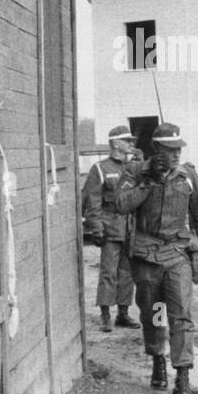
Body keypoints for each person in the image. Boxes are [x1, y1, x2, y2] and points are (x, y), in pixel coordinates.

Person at [114, 123, 198, 394]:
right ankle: (158, 358)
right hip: (145, 255)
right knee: (153, 312)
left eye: (178, 150)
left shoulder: (188, 176)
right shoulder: (135, 172)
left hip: (177, 252)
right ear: (156, 149)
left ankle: (182, 379)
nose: (175, 155)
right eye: (169, 150)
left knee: (182, 314)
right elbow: (121, 205)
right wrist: (149, 181)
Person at [82, 125, 143, 332]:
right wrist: (97, 229)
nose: (131, 144)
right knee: (108, 273)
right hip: (109, 230)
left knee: (127, 274)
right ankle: (105, 315)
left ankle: (123, 314)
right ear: (116, 143)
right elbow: (93, 202)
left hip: (129, 229)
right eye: (127, 141)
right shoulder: (100, 169)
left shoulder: (134, 169)